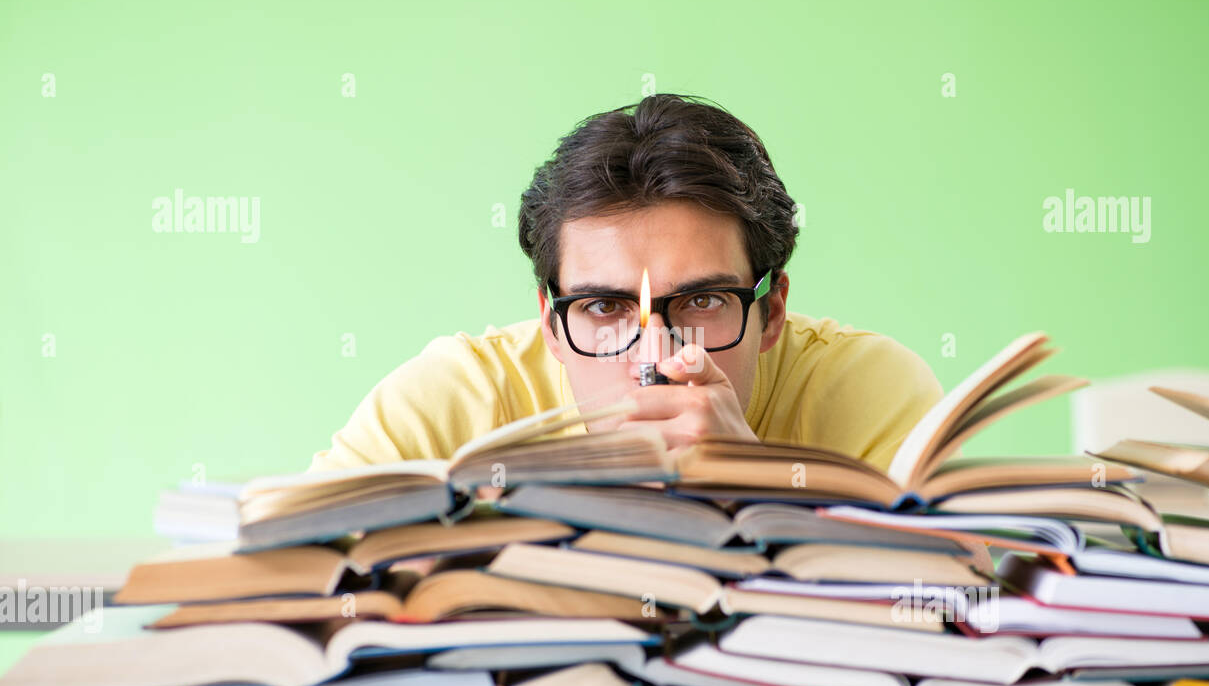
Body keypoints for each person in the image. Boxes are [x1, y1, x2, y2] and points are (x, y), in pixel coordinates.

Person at [308, 94, 943, 473]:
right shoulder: (453, 402)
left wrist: (756, 482)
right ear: (551, 324)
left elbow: (955, 613)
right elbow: (287, 585)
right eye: (605, 307)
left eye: (701, 301)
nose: (654, 360)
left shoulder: (871, 392)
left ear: (771, 310)